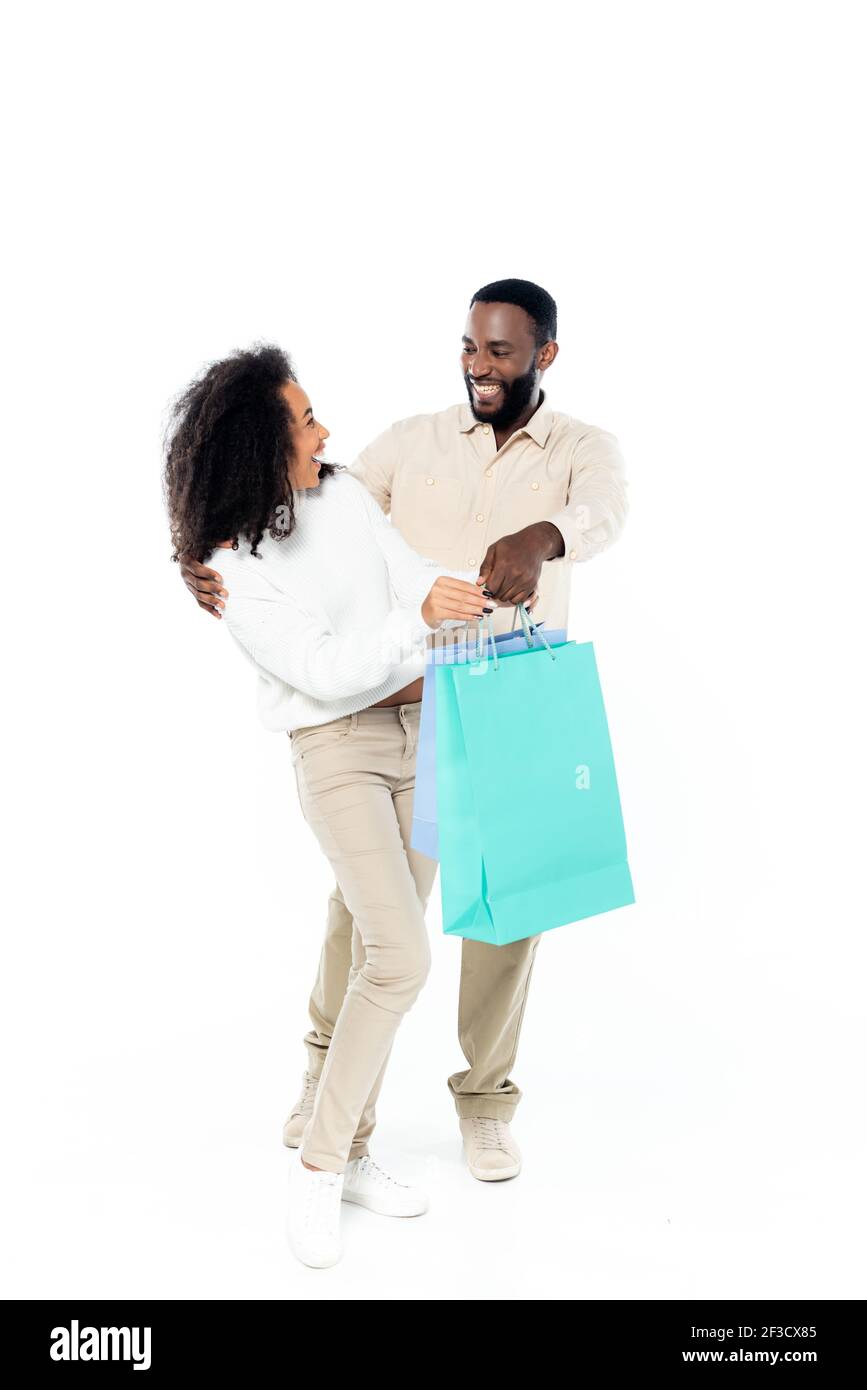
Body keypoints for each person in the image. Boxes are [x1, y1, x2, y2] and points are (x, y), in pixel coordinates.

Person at [181, 279, 628, 1182]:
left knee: (511, 901)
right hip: (394, 703)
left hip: (506, 688)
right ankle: (323, 1073)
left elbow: (603, 515)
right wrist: (193, 549)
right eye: (468, 347)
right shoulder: (412, 442)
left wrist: (542, 535)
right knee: (370, 908)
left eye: (499, 351)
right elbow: (294, 491)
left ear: (544, 354)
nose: (478, 365)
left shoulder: (584, 448)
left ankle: (487, 1102)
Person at [163, 344, 499, 1267]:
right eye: (305, 422)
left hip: (429, 733)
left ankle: (347, 1142)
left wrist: (461, 588)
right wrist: (417, 624)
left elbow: (402, 577)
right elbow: (319, 671)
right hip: (339, 754)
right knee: (399, 958)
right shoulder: (228, 567)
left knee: (367, 931)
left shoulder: (342, 496)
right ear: (257, 446)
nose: (324, 431)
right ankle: (318, 1169)